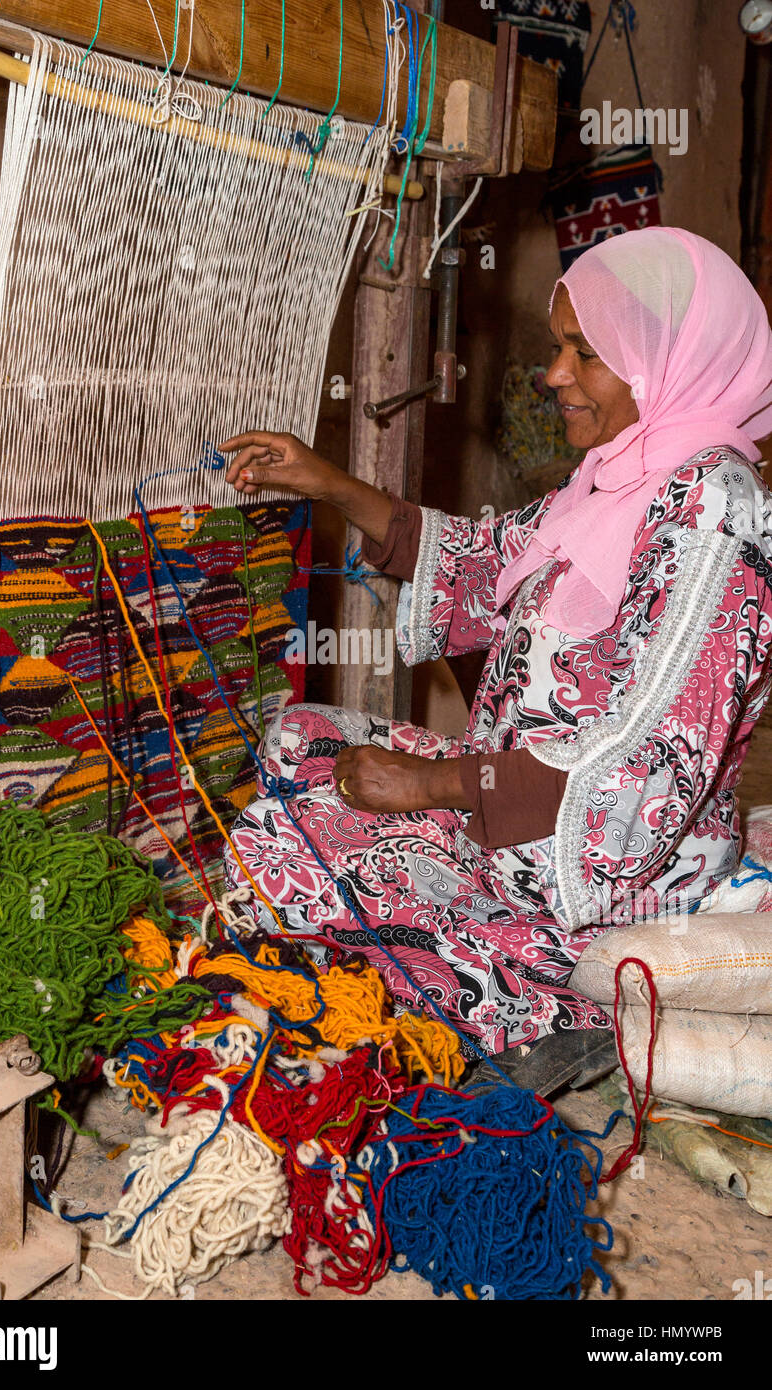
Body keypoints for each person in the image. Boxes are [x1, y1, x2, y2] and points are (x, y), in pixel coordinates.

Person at [218, 227, 772, 1096]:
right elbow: (485, 564)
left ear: (663, 364)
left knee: (282, 849)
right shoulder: (618, 477)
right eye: (560, 349)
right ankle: (483, 963)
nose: (554, 375)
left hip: (607, 866)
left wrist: (433, 786)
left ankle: (554, 1005)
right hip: (511, 801)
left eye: (583, 354)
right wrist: (326, 481)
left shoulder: (714, 512)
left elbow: (651, 760)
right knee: (300, 739)